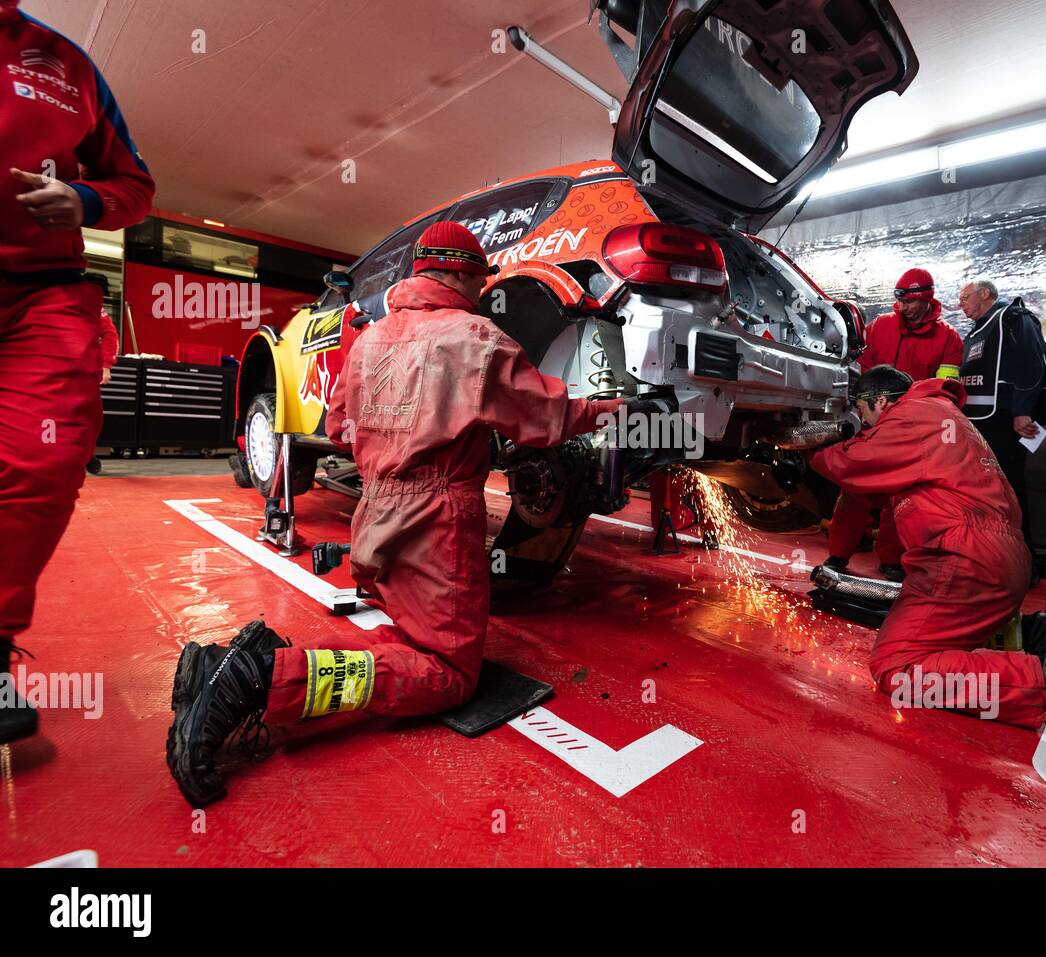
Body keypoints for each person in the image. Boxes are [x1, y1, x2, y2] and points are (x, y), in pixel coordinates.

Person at [167, 222, 644, 806]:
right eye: (479, 279)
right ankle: (257, 679)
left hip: (375, 514)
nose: (480, 291)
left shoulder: (367, 341)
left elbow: (340, 429)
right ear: (463, 273)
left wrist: (402, 436)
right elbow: (543, 417)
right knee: (446, 674)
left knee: (405, 640)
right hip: (436, 524)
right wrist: (616, 410)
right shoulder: (475, 336)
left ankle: (254, 660)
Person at [808, 365, 1046, 748]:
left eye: (864, 414)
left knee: (897, 666)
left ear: (880, 401)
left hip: (965, 560)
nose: (865, 425)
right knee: (936, 630)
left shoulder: (909, 417)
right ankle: (1038, 635)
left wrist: (806, 448)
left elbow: (852, 462)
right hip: (1002, 557)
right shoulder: (943, 414)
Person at [1, 0, 155, 743]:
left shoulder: (69, 67)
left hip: (44, 290)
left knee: (49, 449)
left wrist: (85, 200)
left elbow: (136, 186)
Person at [828, 268, 963, 581]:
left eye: (911, 301)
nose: (903, 307)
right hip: (872, 420)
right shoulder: (880, 327)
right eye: (899, 300)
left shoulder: (948, 339)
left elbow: (945, 388)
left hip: (911, 427)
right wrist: (860, 407)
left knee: (899, 497)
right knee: (854, 488)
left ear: (927, 299)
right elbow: (860, 370)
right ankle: (838, 553)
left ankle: (891, 559)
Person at [956, 279, 1045, 550]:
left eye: (965, 297)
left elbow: (1031, 364)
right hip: (977, 423)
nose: (961, 305)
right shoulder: (974, 333)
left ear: (985, 294)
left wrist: (1022, 412)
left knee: (1009, 489)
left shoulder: (1013, 318)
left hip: (1005, 421)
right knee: (981, 490)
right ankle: (988, 551)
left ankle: (1021, 556)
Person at [86, 274, 118, 475]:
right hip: (55, 367)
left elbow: (110, 335)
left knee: (92, 415)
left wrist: (106, 365)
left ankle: (87, 454)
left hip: (85, 370)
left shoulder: (97, 311)